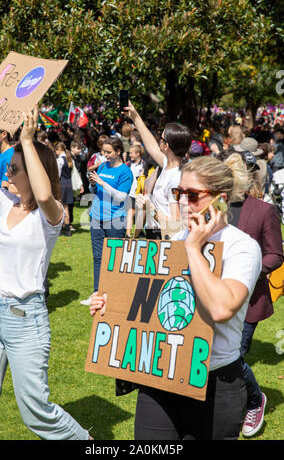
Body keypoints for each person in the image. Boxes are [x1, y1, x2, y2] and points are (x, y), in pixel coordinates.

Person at [90, 155, 262, 440]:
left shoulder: (242, 247)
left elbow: (221, 308)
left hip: (215, 383)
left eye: (192, 195)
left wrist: (194, 248)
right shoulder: (175, 241)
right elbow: (155, 305)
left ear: (220, 199)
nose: (182, 202)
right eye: (178, 192)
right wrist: (113, 307)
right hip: (161, 375)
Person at [0, 107, 91, 440]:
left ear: (33, 171)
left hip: (24, 320)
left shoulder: (50, 215)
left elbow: (44, 194)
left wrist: (27, 141)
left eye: (14, 169)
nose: (6, 174)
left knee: (35, 412)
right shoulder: (6, 205)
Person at [222, 151, 284, 437]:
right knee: (219, 352)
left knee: (235, 354)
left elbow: (276, 254)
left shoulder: (263, 210)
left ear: (244, 182)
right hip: (214, 295)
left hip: (249, 298)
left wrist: (249, 268)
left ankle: (255, 400)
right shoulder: (214, 209)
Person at [123, 101, 192, 240]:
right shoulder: (168, 164)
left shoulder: (176, 179)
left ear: (166, 146)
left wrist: (150, 207)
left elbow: (175, 223)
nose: (157, 138)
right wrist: (134, 115)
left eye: (161, 136)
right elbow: (152, 147)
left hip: (165, 238)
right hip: (156, 233)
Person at [80, 136, 133, 306]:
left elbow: (121, 197)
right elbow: (94, 190)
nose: (105, 155)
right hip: (97, 217)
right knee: (98, 257)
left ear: (118, 151)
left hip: (115, 219)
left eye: (109, 152)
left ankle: (114, 294)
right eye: (104, 152)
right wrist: (93, 184)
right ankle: (97, 292)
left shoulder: (125, 172)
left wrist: (102, 182)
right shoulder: (102, 166)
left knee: (114, 258)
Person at [54, 141, 74, 236]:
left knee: (60, 206)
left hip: (61, 184)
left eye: (56, 150)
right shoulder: (70, 159)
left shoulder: (60, 160)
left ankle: (60, 228)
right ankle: (68, 229)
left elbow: (57, 175)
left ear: (59, 150)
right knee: (66, 208)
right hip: (69, 184)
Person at [125, 143, 145, 237]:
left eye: (132, 153)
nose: (130, 155)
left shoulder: (144, 164)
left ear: (138, 154)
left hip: (141, 194)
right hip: (131, 193)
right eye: (129, 153)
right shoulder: (129, 164)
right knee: (130, 212)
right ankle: (128, 233)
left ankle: (139, 232)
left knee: (140, 214)